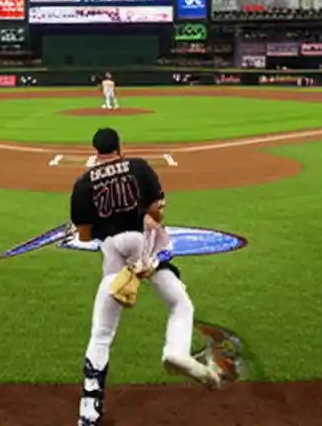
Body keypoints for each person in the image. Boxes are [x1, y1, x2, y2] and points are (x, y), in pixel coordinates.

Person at [70, 128, 220, 426]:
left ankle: (89, 410)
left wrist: (86, 228)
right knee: (180, 304)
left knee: (101, 334)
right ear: (119, 148)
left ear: (95, 150)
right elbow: (156, 210)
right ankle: (176, 351)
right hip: (144, 245)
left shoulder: (83, 183)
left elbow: (86, 236)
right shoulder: (138, 167)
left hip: (113, 252)